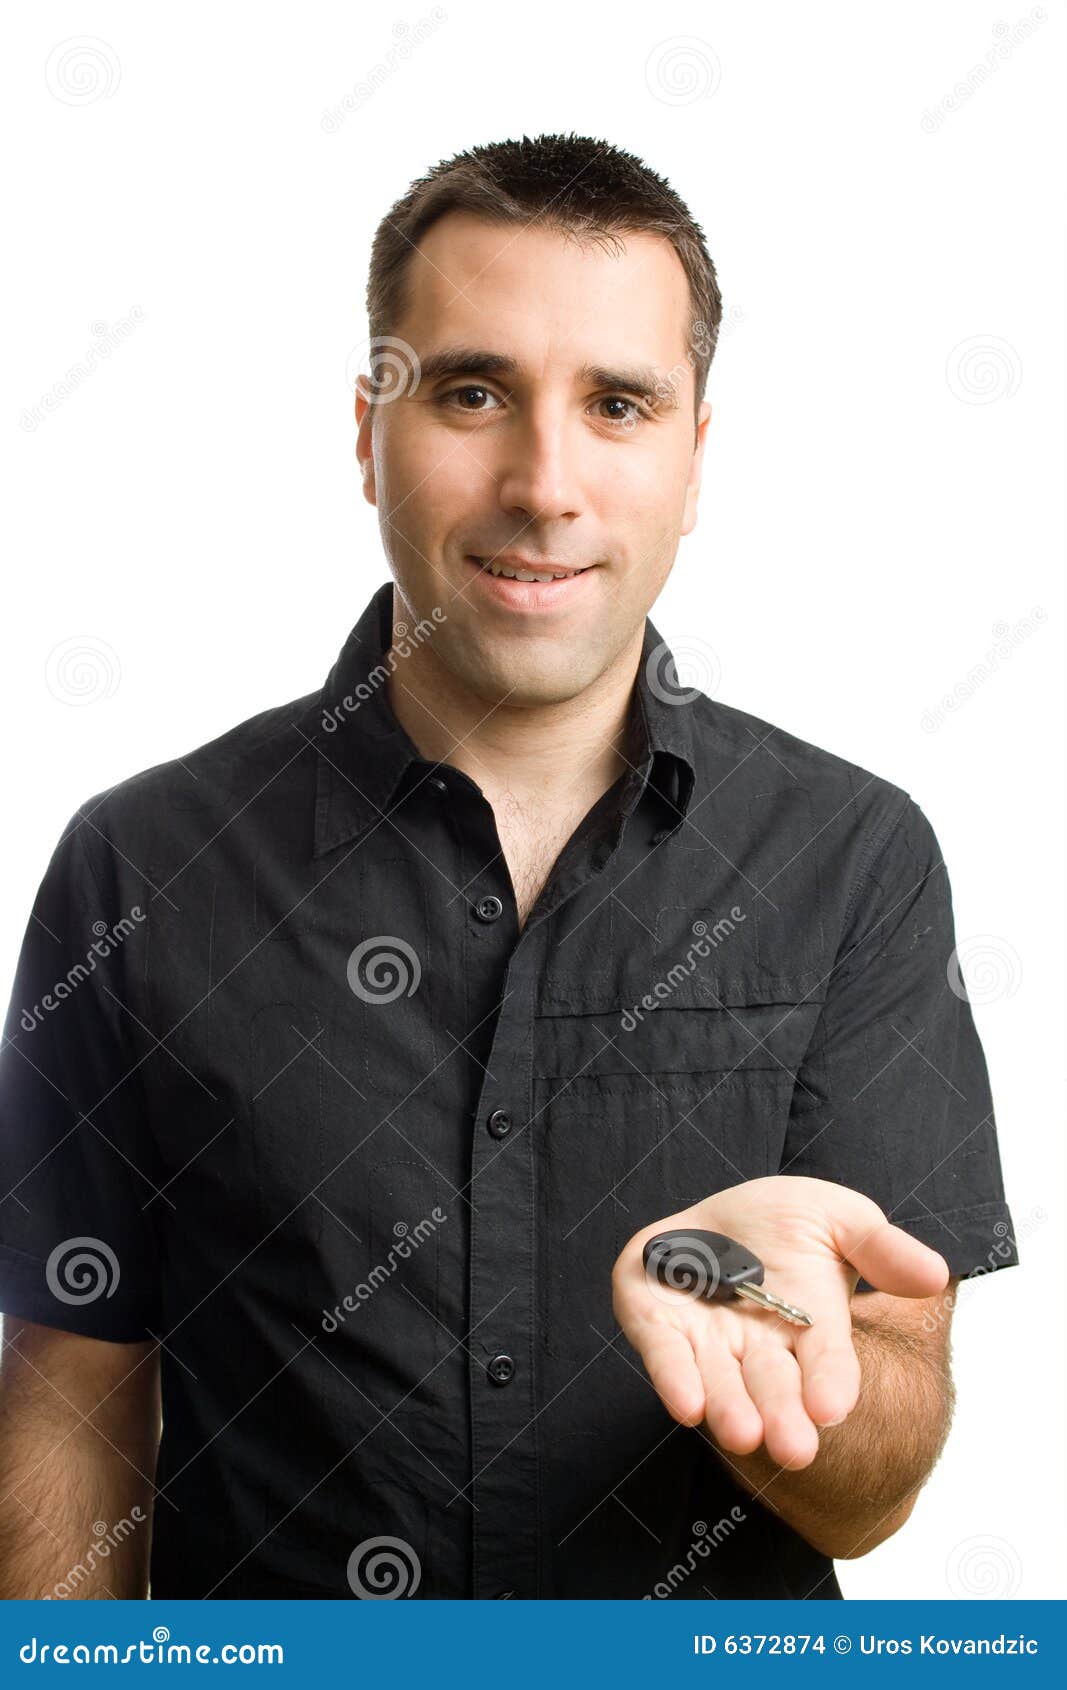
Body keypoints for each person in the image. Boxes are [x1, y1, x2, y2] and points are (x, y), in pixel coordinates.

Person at [0, 133, 1018, 1601]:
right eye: (473, 393)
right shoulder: (141, 866)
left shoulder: (853, 861)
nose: (546, 483)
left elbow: (876, 1490)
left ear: (692, 458)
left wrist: (789, 1353)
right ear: (367, 431)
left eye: (617, 403)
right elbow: (72, 1390)